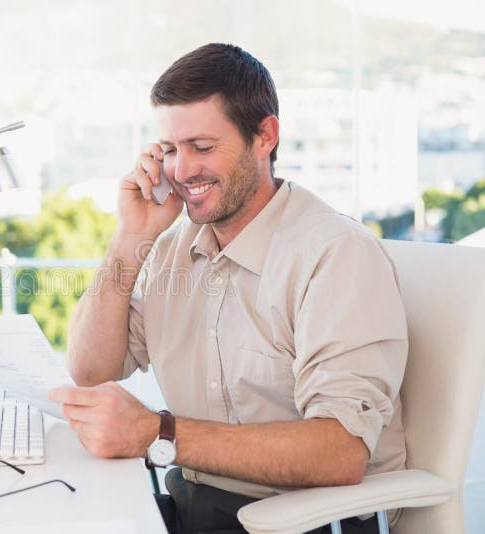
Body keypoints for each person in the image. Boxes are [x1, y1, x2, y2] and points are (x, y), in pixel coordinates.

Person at [49, 43, 408, 534]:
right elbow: (91, 370)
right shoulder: (175, 247)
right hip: (191, 506)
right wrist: (130, 237)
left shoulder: (334, 254)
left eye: (203, 147)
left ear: (265, 135)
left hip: (302, 522)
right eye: (171, 150)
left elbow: (342, 451)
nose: (181, 170)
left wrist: (159, 433)